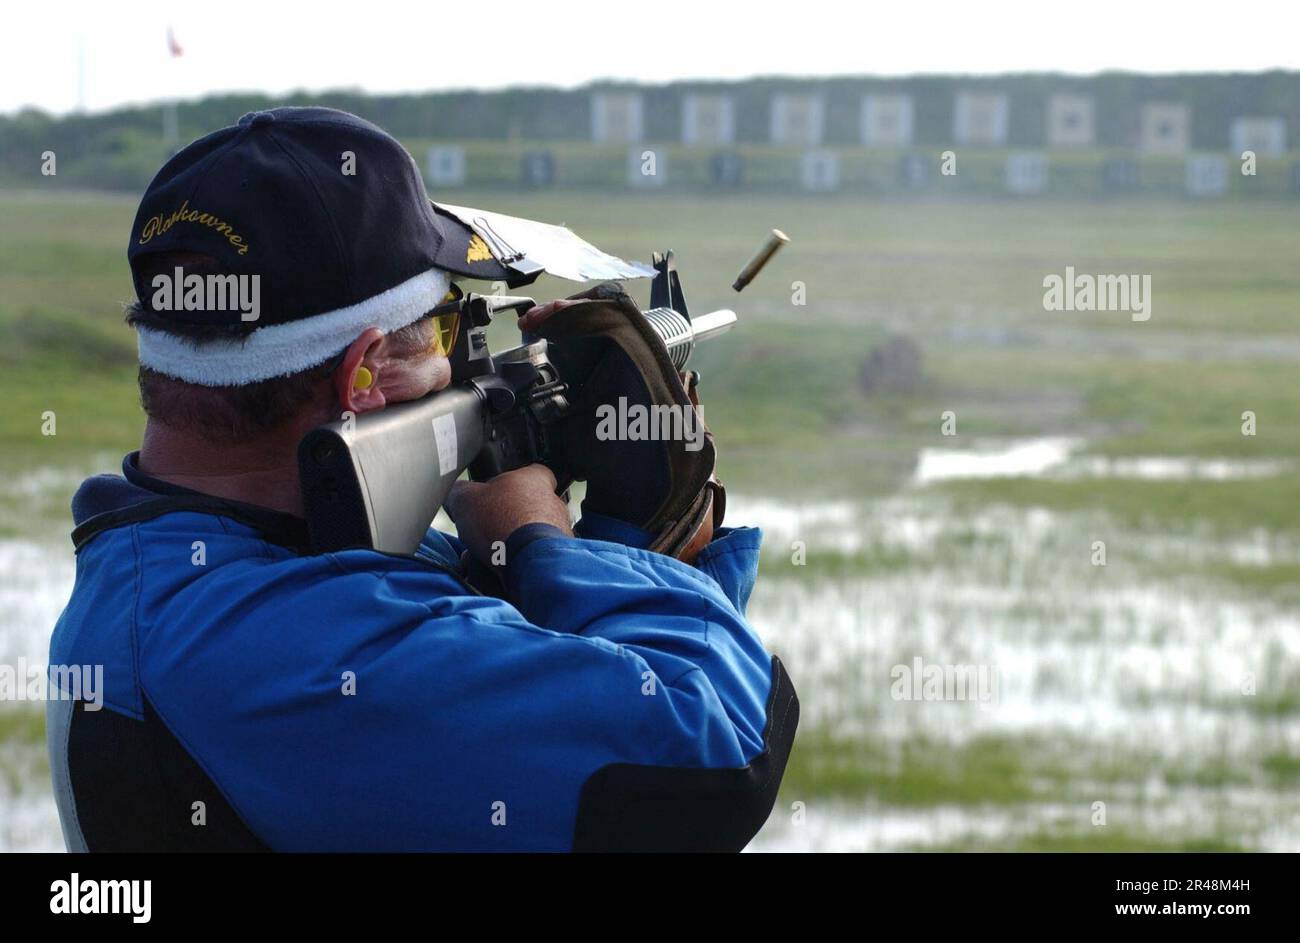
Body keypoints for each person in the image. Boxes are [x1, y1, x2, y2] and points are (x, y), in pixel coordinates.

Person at [47, 107, 797, 852]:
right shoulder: (266, 649)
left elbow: (579, 687)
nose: (455, 363)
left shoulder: (222, 562)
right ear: (364, 372)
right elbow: (715, 751)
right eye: (445, 329)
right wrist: (544, 544)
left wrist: (635, 528)